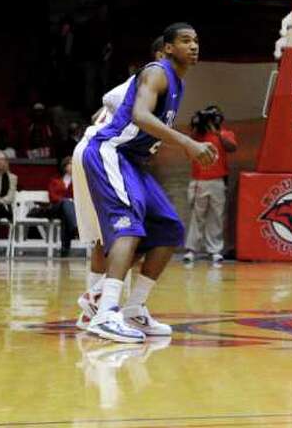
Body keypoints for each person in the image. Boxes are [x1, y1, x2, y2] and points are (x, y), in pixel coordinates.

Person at [81, 23, 217, 344]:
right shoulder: (157, 72)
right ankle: (105, 312)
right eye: (186, 40)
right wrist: (188, 143)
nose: (194, 46)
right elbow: (140, 116)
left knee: (169, 228)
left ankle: (133, 309)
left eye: (197, 40)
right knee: (126, 228)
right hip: (109, 152)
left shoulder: (177, 84)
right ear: (168, 47)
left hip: (133, 161)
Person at [72, 37, 166, 332]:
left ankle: (98, 306)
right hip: (102, 154)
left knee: (110, 233)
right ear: (162, 53)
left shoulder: (164, 86)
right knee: (116, 231)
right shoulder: (148, 79)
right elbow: (109, 104)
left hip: (106, 155)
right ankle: (100, 306)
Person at [183, 105, 237, 266]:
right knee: (196, 216)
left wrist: (217, 132)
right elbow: (188, 148)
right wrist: (196, 126)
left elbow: (232, 147)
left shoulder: (225, 134)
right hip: (199, 180)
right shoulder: (198, 136)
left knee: (216, 216)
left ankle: (214, 251)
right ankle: (191, 250)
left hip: (217, 181)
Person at [39, 156, 79, 257]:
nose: (72, 166)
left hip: (71, 211)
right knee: (66, 203)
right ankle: (75, 228)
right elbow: (52, 196)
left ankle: (65, 249)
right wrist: (66, 200)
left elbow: (80, 196)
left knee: (66, 216)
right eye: (70, 163)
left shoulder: (79, 182)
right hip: (55, 208)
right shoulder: (55, 180)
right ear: (65, 166)